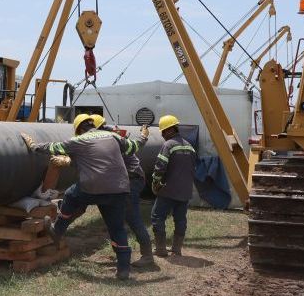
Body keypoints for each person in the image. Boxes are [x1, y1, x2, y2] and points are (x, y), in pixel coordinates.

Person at [21, 113, 141, 280]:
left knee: (70, 195)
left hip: (93, 187)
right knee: (117, 228)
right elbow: (134, 146)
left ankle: (58, 230)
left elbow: (53, 148)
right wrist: (143, 136)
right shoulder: (112, 136)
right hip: (119, 189)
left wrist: (33, 146)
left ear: (78, 129)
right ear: (93, 125)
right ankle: (123, 269)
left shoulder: (78, 141)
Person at [93, 115, 155, 267]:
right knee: (115, 217)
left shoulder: (110, 139)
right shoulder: (107, 135)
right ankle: (121, 252)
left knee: (132, 217)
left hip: (131, 179)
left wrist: (143, 137)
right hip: (124, 179)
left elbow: (134, 144)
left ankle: (147, 256)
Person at [150, 115, 196, 257]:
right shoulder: (190, 146)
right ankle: (176, 249)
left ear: (169, 130)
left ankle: (161, 250)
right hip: (185, 190)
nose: (163, 135)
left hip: (169, 189)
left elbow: (160, 167)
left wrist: (155, 183)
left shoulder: (168, 145)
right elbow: (192, 168)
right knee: (180, 219)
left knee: (157, 217)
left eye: (163, 131)